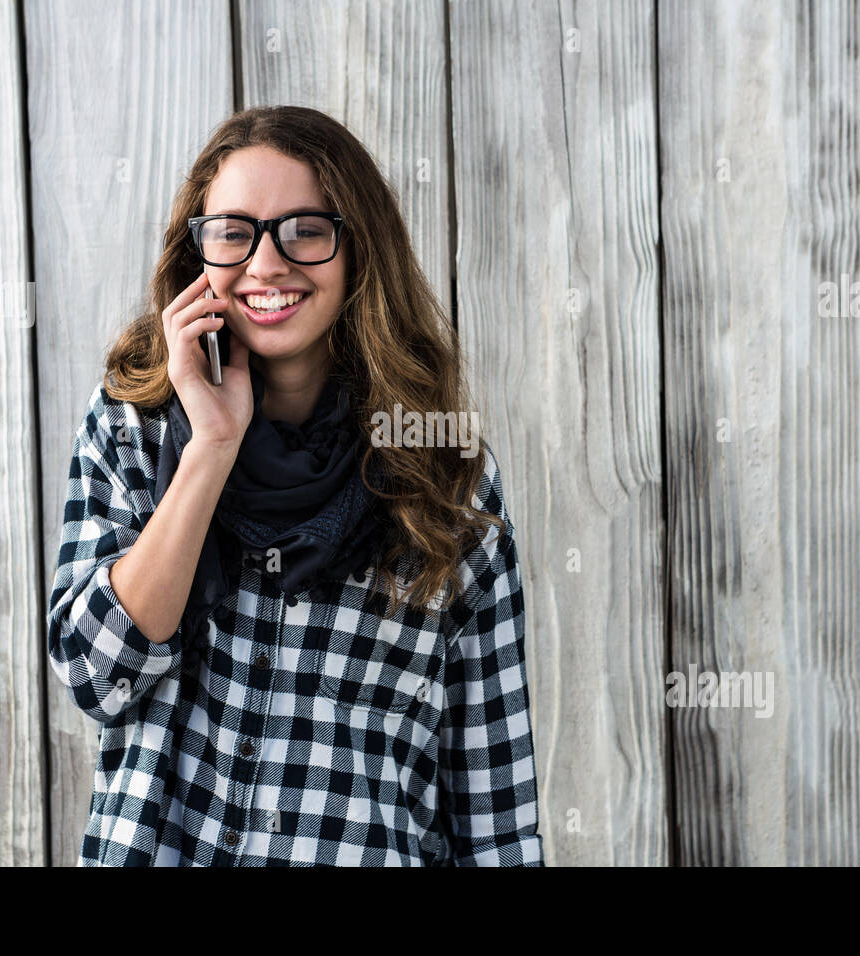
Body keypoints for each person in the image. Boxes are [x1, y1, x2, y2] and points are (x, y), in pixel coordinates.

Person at [46, 105, 543, 866]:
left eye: (305, 229)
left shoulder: (444, 475)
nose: (266, 265)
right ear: (199, 253)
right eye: (234, 232)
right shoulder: (133, 426)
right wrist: (211, 445)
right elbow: (94, 674)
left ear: (357, 248)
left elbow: (497, 813)